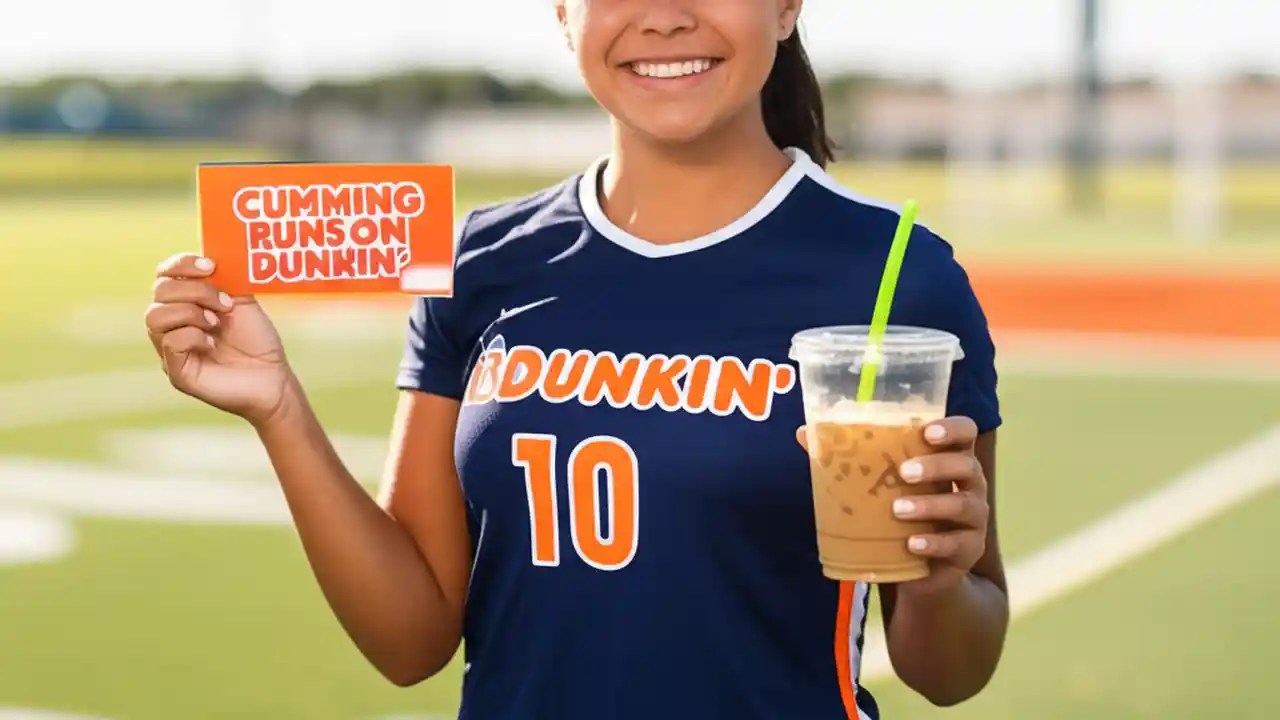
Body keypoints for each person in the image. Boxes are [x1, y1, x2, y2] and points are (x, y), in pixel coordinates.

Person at [143, 1, 1008, 718]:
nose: (665, 18)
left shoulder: (900, 274)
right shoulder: (481, 262)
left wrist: (936, 578)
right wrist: (279, 407)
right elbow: (410, 643)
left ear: (785, 7)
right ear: (563, 15)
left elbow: (950, 670)